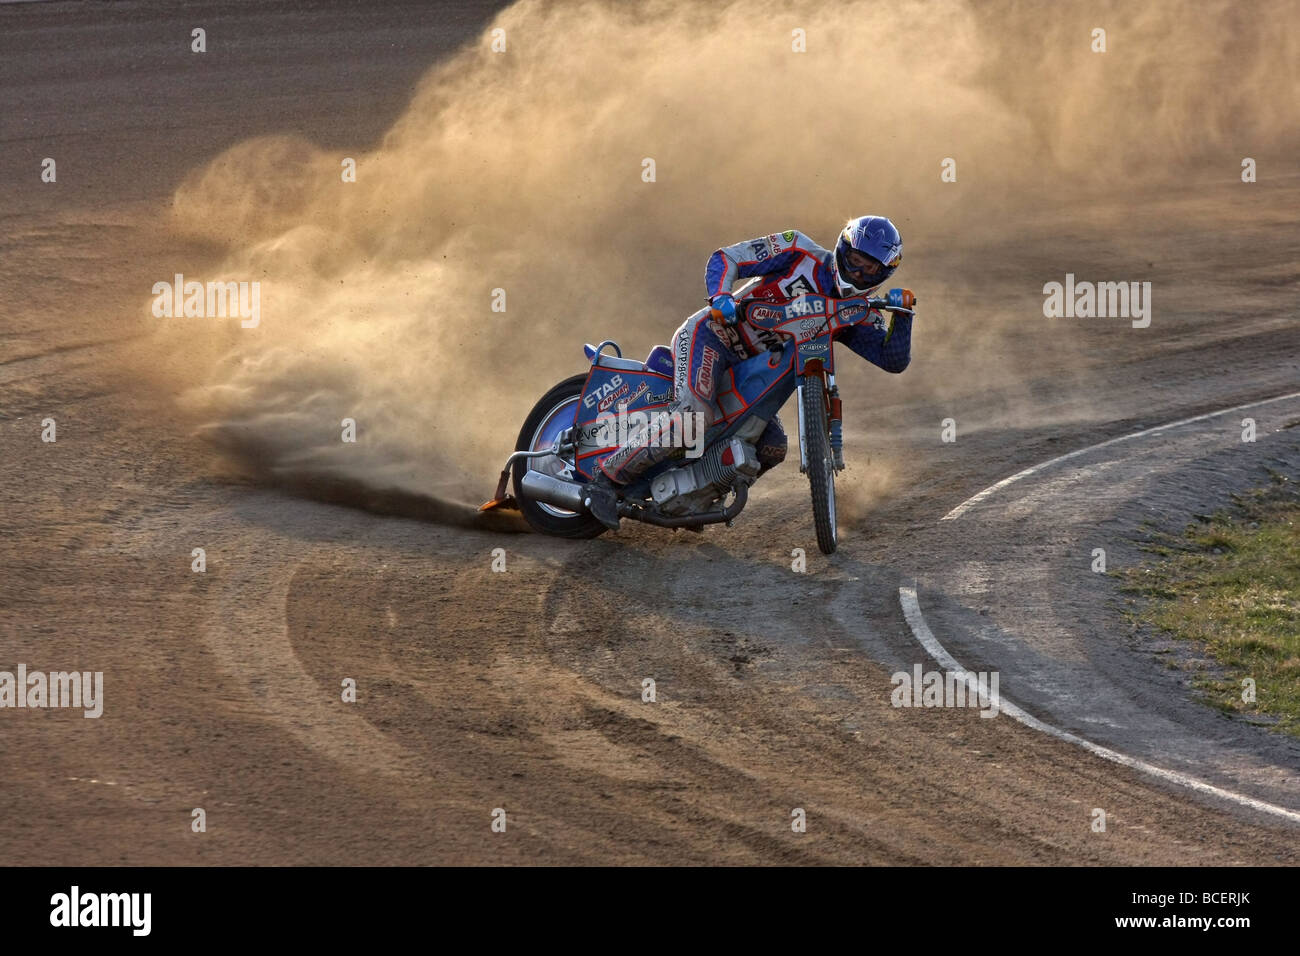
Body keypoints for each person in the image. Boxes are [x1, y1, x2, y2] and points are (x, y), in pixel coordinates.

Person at [583, 215, 912, 530]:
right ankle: (605, 480)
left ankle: (694, 499)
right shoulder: (799, 250)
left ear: (884, 274)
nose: (858, 272)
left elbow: (891, 359)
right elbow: (726, 257)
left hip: (750, 375)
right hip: (714, 336)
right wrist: (721, 295)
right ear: (843, 247)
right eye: (855, 259)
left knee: (773, 447)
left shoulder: (857, 313)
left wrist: (904, 315)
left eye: (870, 269)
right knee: (693, 416)